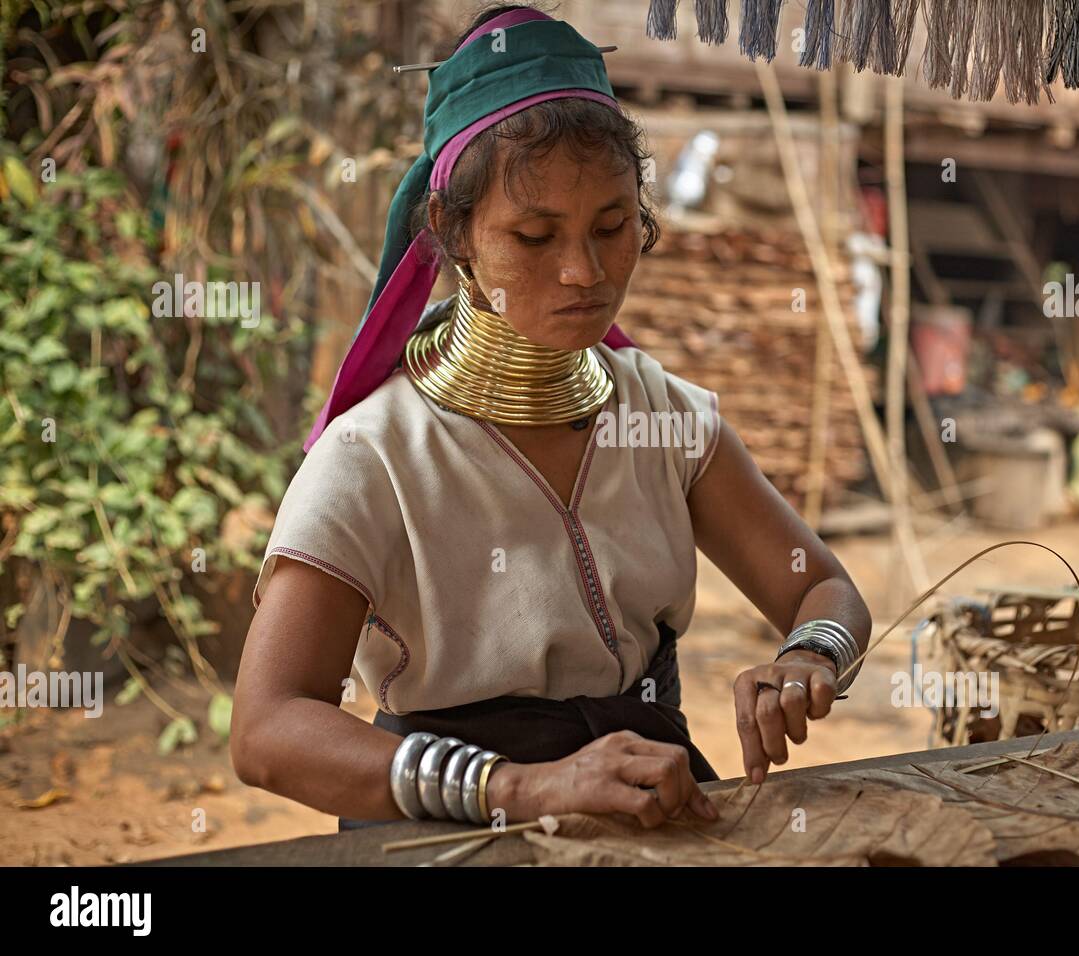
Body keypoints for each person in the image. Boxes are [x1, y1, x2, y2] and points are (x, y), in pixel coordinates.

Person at [230, 4, 873, 832]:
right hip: (447, 832)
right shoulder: (376, 456)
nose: (583, 271)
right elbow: (267, 729)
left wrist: (808, 654)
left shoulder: (663, 417)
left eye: (611, 226)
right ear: (452, 233)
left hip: (651, 809)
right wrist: (517, 789)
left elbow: (822, 585)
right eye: (534, 237)